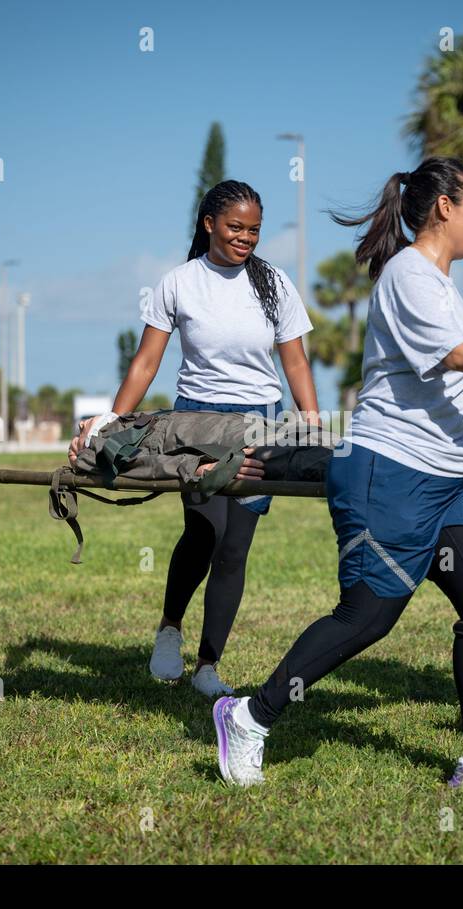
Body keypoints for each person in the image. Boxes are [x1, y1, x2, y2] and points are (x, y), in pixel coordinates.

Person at [211, 157, 463, 788]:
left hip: (451, 481)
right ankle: (250, 716)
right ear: (445, 208)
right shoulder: (407, 275)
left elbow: (451, 381)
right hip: (389, 473)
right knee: (368, 616)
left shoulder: (444, 285)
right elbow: (458, 356)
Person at [70, 180, 319, 696]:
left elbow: (294, 359)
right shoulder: (178, 282)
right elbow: (146, 360)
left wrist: (311, 420)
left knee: (235, 548)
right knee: (204, 534)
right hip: (196, 427)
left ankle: (208, 666)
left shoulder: (275, 284)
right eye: (235, 227)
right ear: (209, 224)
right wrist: (114, 421)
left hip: (259, 428)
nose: (245, 237)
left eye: (254, 230)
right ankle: (169, 629)